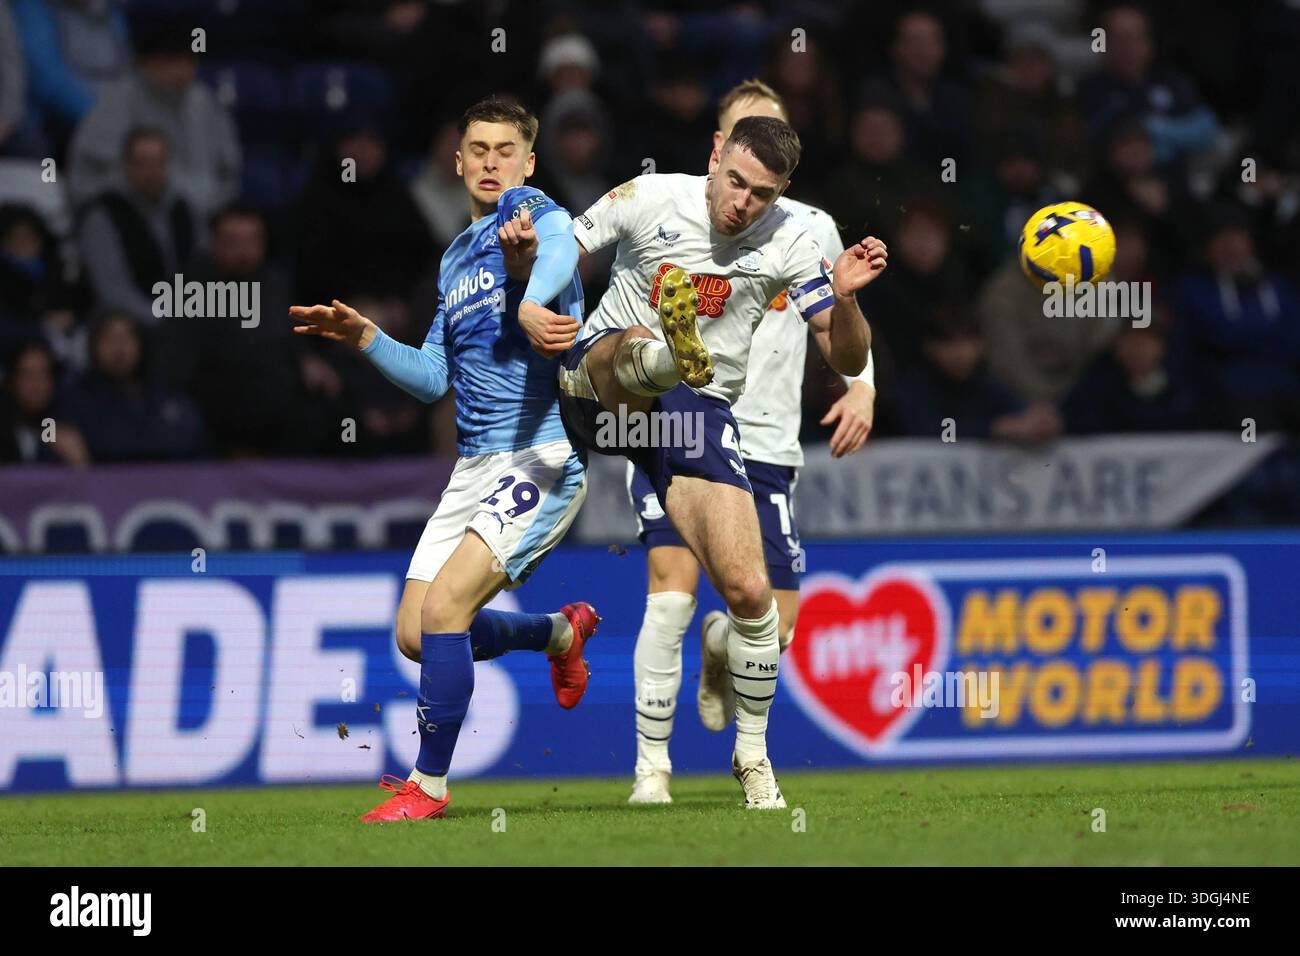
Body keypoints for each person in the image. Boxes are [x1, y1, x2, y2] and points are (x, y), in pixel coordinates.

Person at [508, 114, 886, 808]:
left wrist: (849, 299)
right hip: (599, 388)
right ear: (715, 156)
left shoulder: (792, 244)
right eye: (736, 181)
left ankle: (752, 758)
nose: (742, 202)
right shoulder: (650, 197)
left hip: (693, 416)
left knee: (749, 593)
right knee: (629, 353)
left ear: (782, 193)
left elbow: (846, 356)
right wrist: (533, 286)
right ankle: (664, 350)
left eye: (762, 194)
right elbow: (570, 241)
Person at [289, 97, 598, 823]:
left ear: (527, 161)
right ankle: (557, 632)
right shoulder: (455, 257)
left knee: (446, 609)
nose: (492, 162)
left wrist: (533, 291)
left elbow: (559, 247)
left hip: (539, 457)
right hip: (472, 467)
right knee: (415, 633)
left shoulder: (533, 217)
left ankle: (427, 786)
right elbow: (433, 375)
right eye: (478, 150)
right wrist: (366, 336)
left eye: (506, 150)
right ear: (457, 162)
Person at [621, 80, 877, 806]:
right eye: (745, 141)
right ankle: (652, 772)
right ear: (719, 148)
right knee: (668, 595)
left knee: (768, 618)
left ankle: (721, 649)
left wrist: (864, 388)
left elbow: (845, 331)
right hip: (681, 418)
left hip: (767, 435)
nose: (752, 177)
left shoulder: (810, 229)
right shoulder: (670, 215)